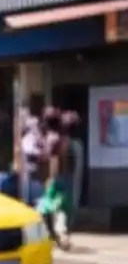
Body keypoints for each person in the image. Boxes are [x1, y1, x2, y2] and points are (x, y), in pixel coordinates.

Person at [36, 107, 75, 251]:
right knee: (59, 209)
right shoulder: (64, 139)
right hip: (63, 178)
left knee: (47, 209)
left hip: (55, 178)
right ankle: (58, 236)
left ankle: (58, 236)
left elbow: (54, 160)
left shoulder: (53, 138)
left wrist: (51, 178)